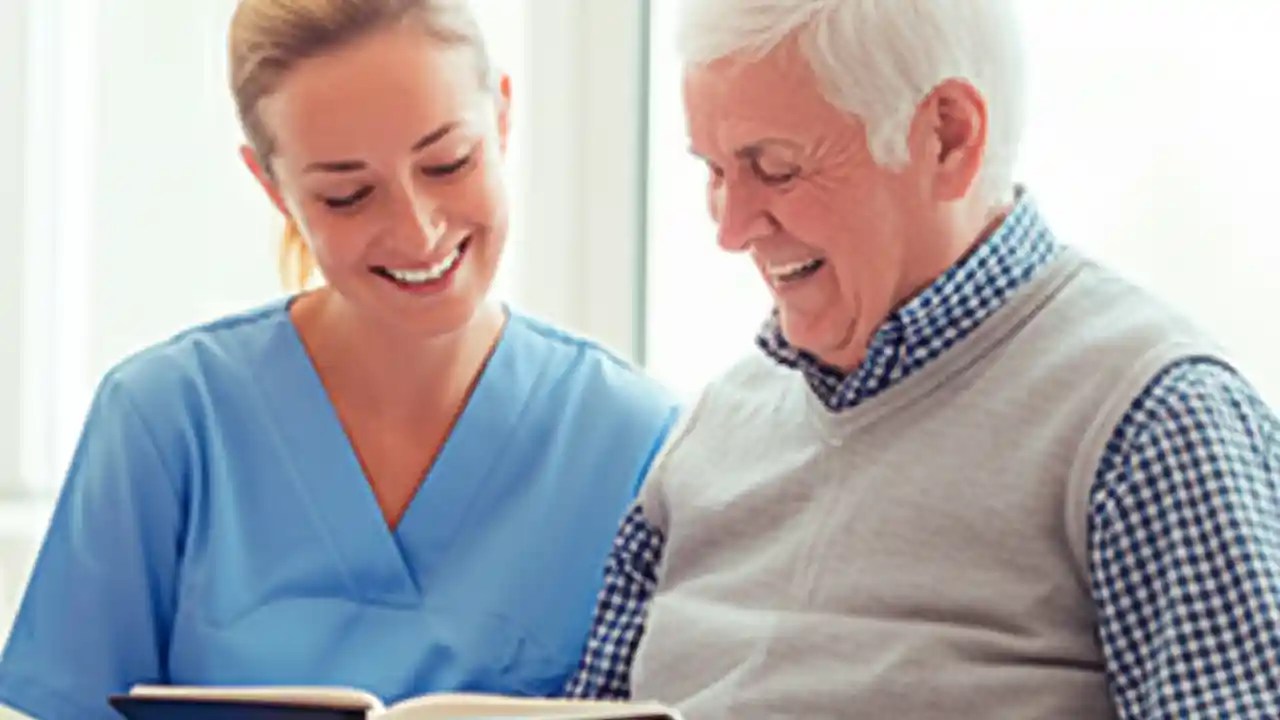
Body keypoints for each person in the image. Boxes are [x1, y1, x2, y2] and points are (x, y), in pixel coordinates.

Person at [566, 0, 1280, 717]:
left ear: (947, 138)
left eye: (776, 169)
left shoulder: (1154, 420)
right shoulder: (709, 438)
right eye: (716, 171)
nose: (729, 228)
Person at [0, 1, 679, 717]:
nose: (418, 230)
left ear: (502, 119)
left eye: (449, 162)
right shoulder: (165, 423)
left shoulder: (639, 442)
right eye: (348, 196)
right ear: (274, 189)